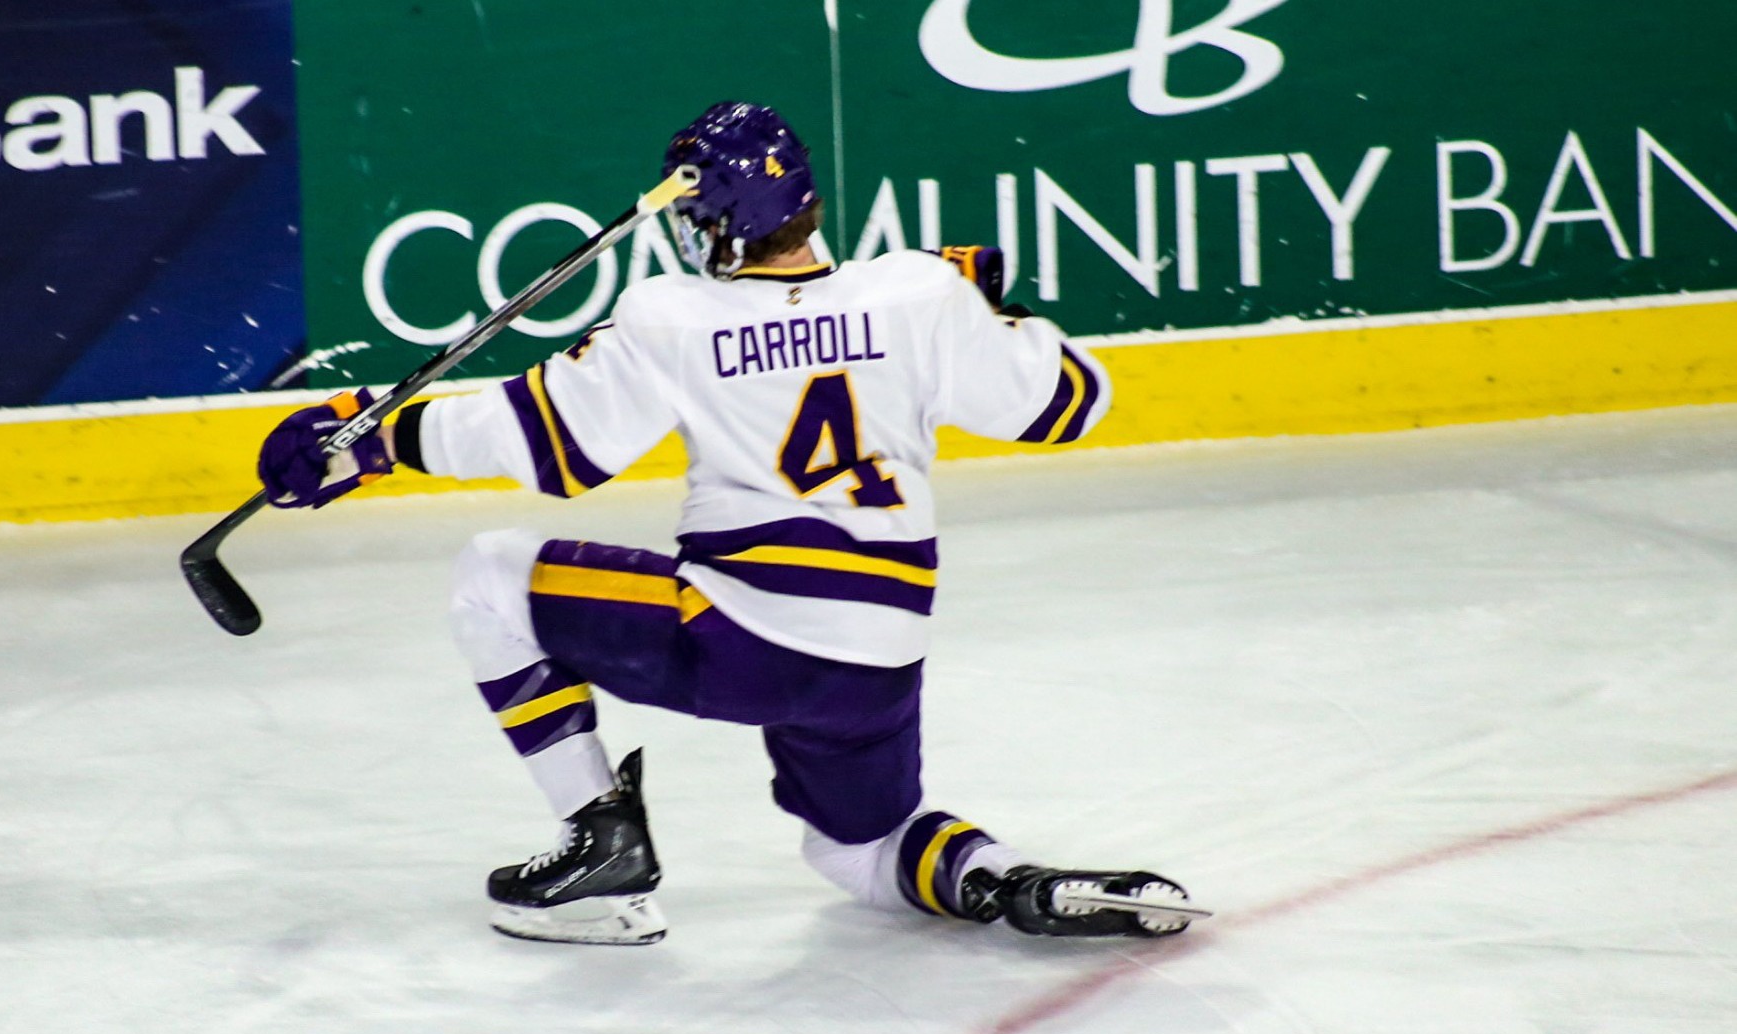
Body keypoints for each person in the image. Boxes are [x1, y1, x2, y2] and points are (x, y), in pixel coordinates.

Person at [256, 101, 1203, 946]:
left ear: (715, 218)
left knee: (488, 577)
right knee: (858, 851)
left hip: (738, 638)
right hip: (876, 663)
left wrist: (372, 437)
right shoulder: (918, 293)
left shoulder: (676, 315)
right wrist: (997, 310)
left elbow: (551, 440)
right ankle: (1005, 880)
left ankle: (600, 847)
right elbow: (1072, 401)